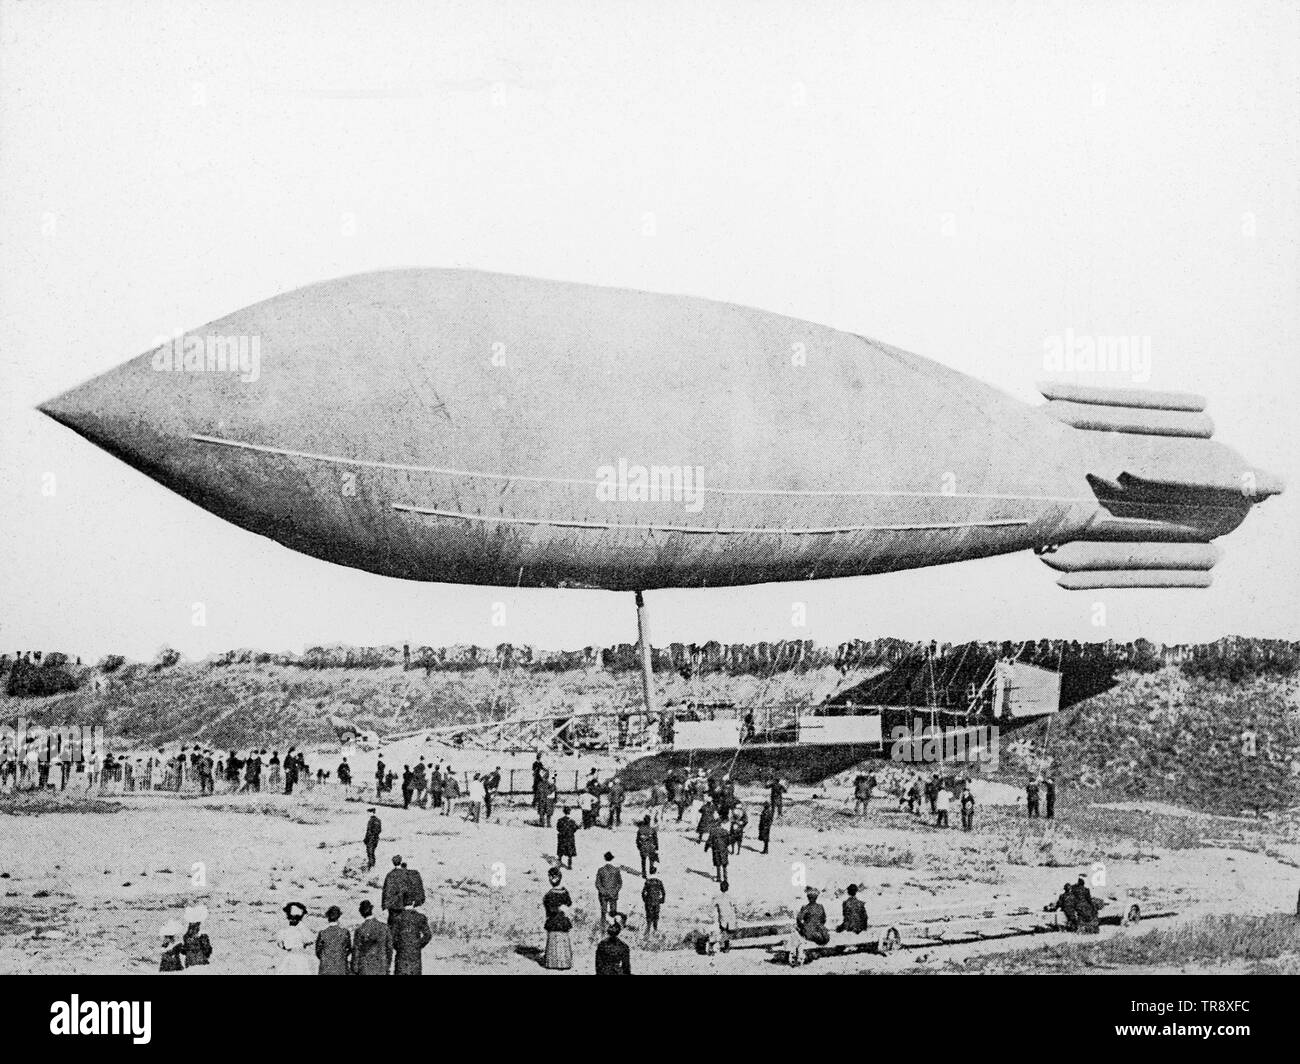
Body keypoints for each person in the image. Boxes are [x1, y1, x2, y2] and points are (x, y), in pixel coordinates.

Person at [542, 867, 574, 971]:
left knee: (553, 939)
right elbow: (569, 904)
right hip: (563, 919)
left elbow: (549, 909)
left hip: (554, 919)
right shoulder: (565, 892)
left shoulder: (549, 894)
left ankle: (553, 963)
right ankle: (564, 962)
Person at [351, 900, 392, 975]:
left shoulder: (360, 930)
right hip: (381, 967)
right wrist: (387, 965)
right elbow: (389, 948)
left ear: (361, 913)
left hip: (365, 968)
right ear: (371, 909)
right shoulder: (384, 927)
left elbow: (356, 952)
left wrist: (354, 969)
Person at [390, 903, 433, 975]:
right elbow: (428, 935)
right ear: (413, 903)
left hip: (401, 955)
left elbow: (392, 937)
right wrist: (418, 945)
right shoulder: (420, 917)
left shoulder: (397, 918)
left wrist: (399, 947)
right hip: (415, 956)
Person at [274, 902, 315, 974]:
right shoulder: (303, 929)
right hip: (300, 957)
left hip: (290, 956)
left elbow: (281, 944)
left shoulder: (284, 930)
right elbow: (310, 940)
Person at [315, 905, 352, 975]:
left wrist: (326, 957)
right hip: (340, 967)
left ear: (328, 917)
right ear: (338, 917)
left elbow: (318, 952)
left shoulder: (322, 933)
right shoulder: (345, 932)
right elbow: (349, 949)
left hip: (326, 967)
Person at [596, 852, 624, 926]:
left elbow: (598, 884)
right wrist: (615, 891)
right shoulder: (616, 870)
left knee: (603, 912)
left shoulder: (601, 870)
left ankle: (603, 926)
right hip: (613, 894)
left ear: (604, 859)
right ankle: (613, 927)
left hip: (603, 895)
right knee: (613, 912)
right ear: (612, 859)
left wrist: (603, 892)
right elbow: (620, 883)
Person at [709, 881, 736, 954]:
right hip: (730, 918)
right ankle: (726, 947)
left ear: (720, 888)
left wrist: (711, 915)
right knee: (726, 931)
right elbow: (734, 906)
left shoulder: (717, 897)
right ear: (727, 888)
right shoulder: (730, 897)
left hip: (723, 917)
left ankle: (717, 946)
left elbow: (711, 907)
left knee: (723, 931)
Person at [707, 816, 730, 885]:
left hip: (716, 849)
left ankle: (719, 878)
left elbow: (709, 841)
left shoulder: (713, 832)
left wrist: (708, 847)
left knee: (718, 864)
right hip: (723, 849)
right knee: (724, 864)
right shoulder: (725, 831)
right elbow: (728, 840)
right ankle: (725, 878)